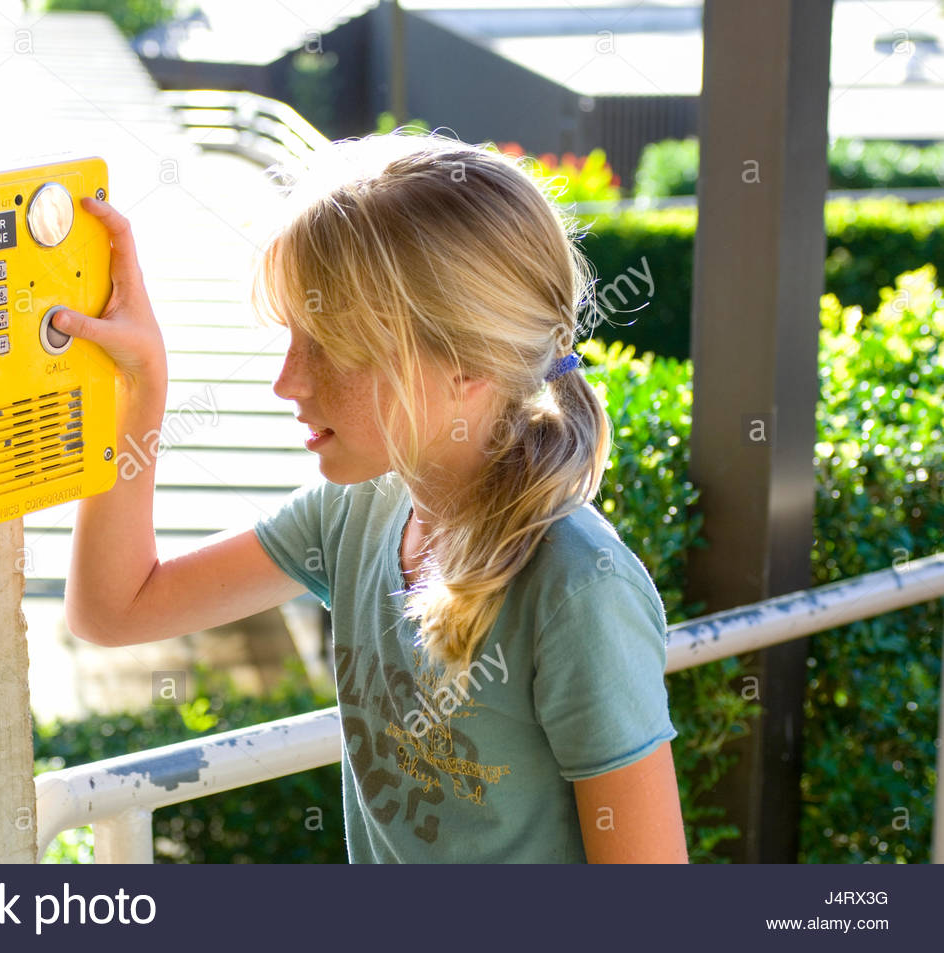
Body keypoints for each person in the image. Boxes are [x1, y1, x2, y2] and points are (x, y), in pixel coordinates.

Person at [54, 131, 689, 864]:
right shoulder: (356, 514)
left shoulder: (579, 590)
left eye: (329, 344)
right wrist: (139, 388)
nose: (288, 381)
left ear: (464, 365)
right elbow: (113, 607)